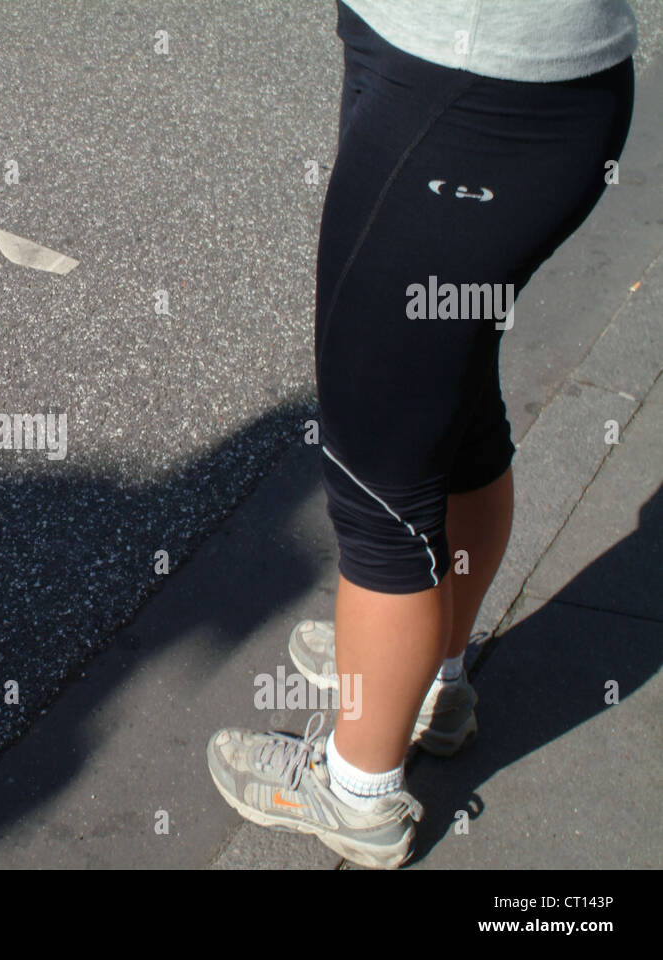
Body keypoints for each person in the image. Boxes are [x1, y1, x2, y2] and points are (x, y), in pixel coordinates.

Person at [207, 0, 637, 869]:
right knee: (458, 406)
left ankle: (356, 792)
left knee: (378, 477)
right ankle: (429, 679)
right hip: (478, 68)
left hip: (472, 84)